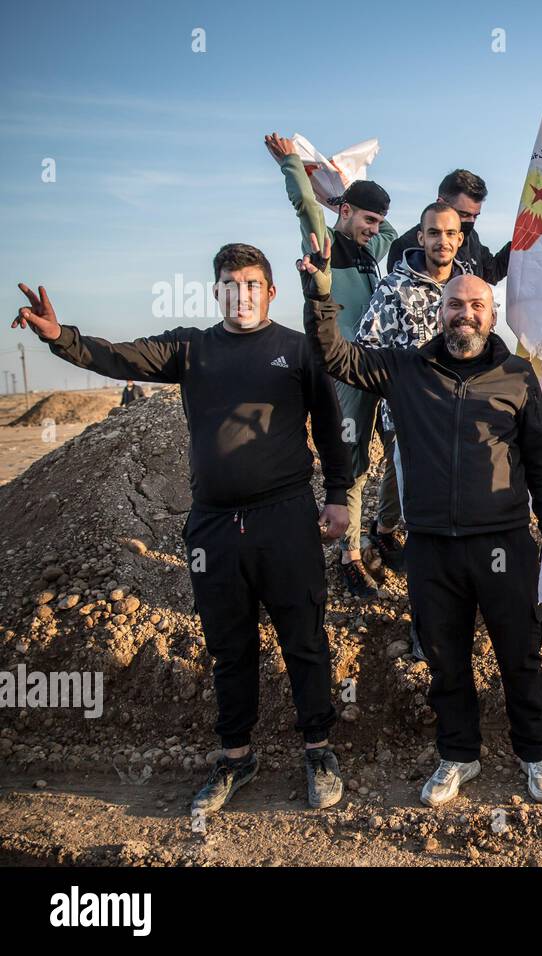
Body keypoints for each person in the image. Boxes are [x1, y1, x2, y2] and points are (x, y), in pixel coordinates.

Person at [12, 244, 353, 815]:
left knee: (305, 639)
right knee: (227, 646)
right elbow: (116, 356)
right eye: (228, 284)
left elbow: (332, 429)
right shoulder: (191, 349)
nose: (239, 295)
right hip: (215, 527)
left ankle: (318, 749)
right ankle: (236, 755)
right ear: (215, 291)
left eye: (250, 285)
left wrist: (339, 496)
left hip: (286, 518)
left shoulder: (298, 351)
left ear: (270, 292)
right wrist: (59, 337)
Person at [299, 233, 542, 806]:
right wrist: (319, 290)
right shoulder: (405, 369)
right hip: (432, 547)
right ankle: (458, 755)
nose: (464, 314)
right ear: (439, 311)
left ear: (492, 316)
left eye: (476, 306)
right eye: (454, 305)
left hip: (505, 543)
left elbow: (540, 462)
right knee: (444, 659)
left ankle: (534, 756)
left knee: (520, 654)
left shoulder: (518, 376)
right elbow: (335, 355)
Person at [266, 132, 397, 598]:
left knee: (393, 452)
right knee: (352, 462)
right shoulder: (324, 244)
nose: (373, 228)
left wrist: (343, 190)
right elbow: (306, 207)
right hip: (342, 372)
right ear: (343, 212)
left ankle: (382, 532)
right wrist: (292, 166)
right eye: (366, 218)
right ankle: (349, 556)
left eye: (376, 221)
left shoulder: (370, 249)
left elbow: (390, 235)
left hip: (376, 364)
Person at [354, 201, 468, 584]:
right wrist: (402, 383)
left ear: (460, 238)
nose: (442, 240)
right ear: (421, 237)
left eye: (450, 233)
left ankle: (391, 531)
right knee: (408, 483)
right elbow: (365, 345)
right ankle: (403, 546)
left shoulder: (464, 286)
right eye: (434, 232)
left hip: (456, 407)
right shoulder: (395, 288)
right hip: (406, 410)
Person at [385, 169, 511, 282]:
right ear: (441, 203)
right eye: (463, 214)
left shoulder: (471, 237)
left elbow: (493, 271)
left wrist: (524, 243)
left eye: (475, 216)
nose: (470, 222)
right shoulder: (405, 247)